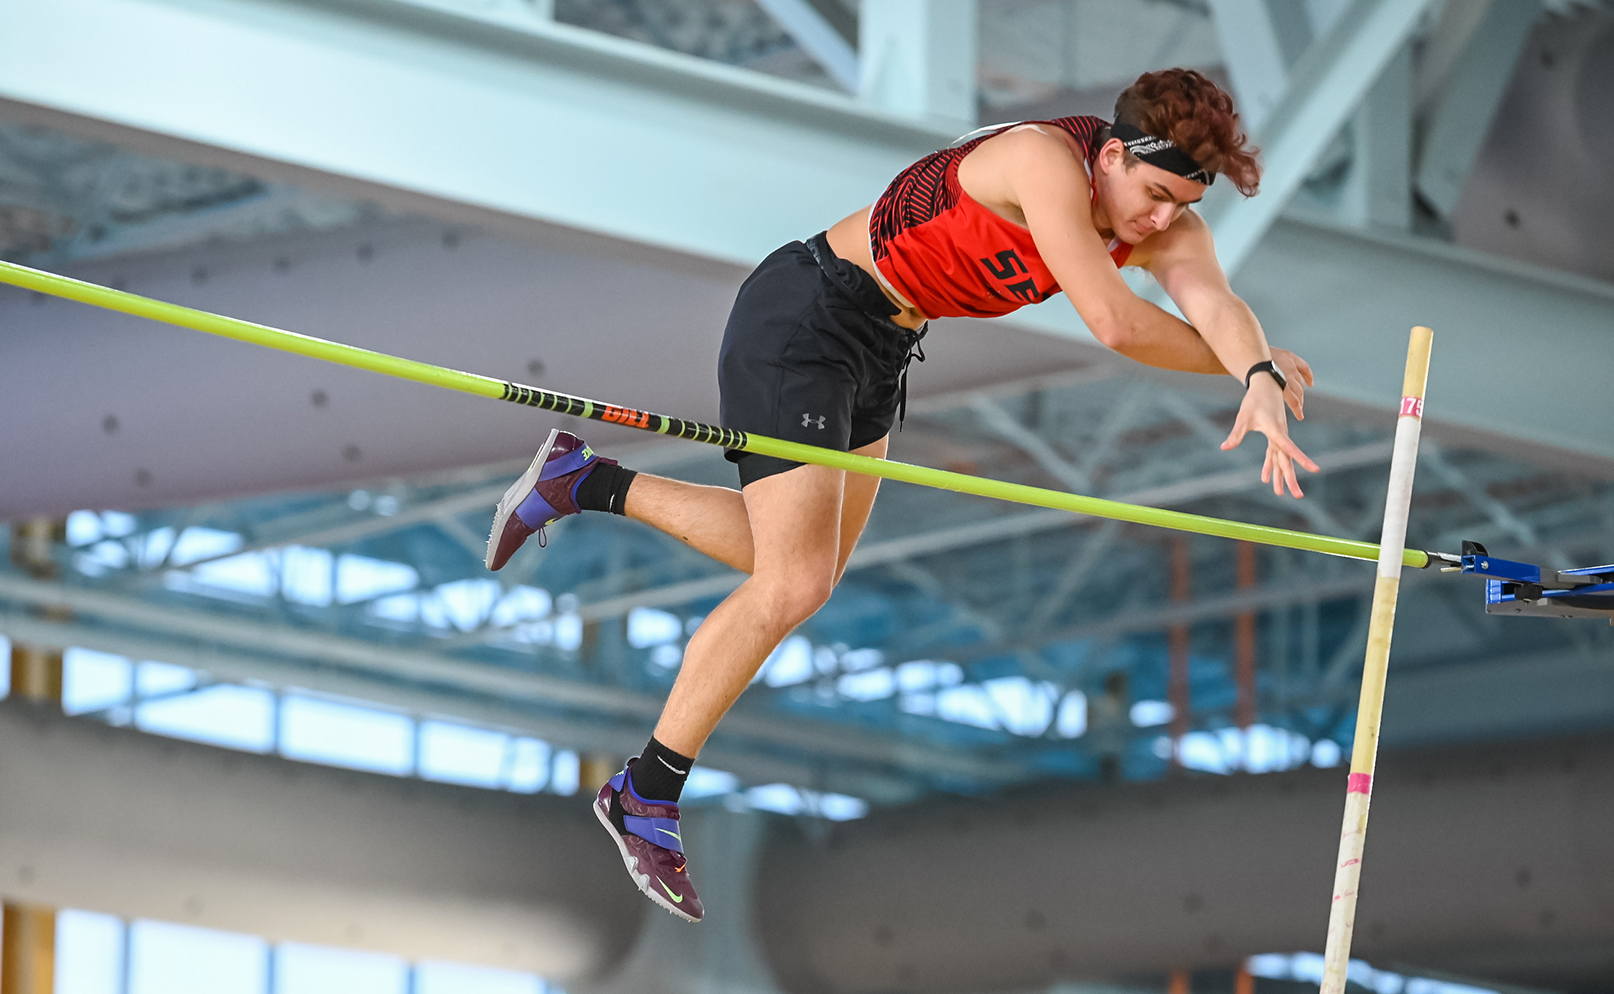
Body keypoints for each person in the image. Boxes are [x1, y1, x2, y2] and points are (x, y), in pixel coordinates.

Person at [484, 68, 1316, 922]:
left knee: (801, 566)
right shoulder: (1040, 162)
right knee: (792, 583)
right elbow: (1112, 320)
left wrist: (1253, 365)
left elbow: (1214, 299)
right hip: (811, 316)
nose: (1162, 221)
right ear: (1109, 157)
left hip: (884, 346)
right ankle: (644, 793)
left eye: (1181, 204)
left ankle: (580, 480)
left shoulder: (1160, 218)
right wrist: (1236, 366)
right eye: (1153, 195)